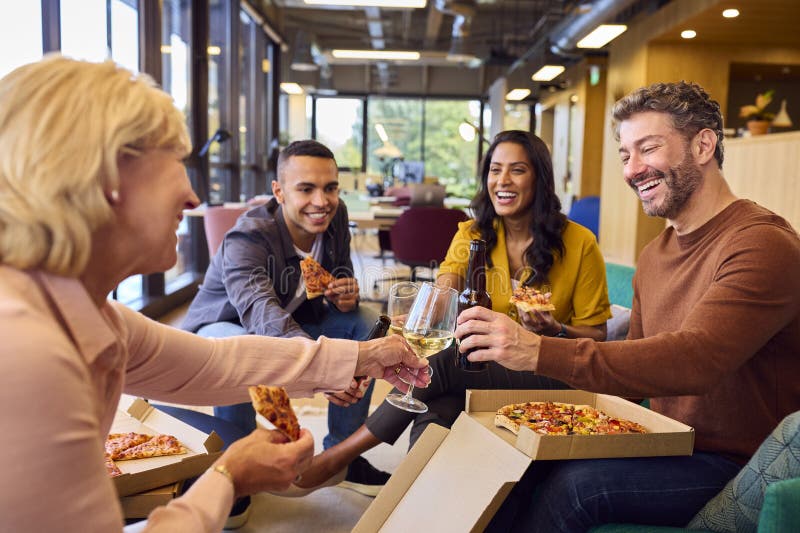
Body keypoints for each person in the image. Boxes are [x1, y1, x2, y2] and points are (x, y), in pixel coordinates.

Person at [0, 55, 429, 533]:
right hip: (230, 320)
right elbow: (248, 324)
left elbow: (213, 365)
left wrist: (362, 356)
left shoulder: (93, 315)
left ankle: (341, 457)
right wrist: (228, 477)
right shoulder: (28, 355)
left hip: (269, 333)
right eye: (174, 163)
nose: (192, 196)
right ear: (106, 180)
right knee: (232, 345)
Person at [452, 82, 800, 531]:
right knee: (516, 453)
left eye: (648, 149)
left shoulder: (762, 244)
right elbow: (633, 375)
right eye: (624, 155)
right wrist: (550, 416)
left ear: (703, 145)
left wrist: (536, 349)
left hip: (730, 462)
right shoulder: (655, 255)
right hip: (665, 441)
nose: (632, 170)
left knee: (579, 487)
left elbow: (696, 359)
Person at [294, 130, 612, 490]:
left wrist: (554, 328)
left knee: (440, 363)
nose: (502, 180)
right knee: (437, 407)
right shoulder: (473, 233)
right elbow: (444, 289)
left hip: (548, 367)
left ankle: (336, 458)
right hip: (482, 366)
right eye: (495, 170)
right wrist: (423, 314)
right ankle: (411, 497)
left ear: (540, 178)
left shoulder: (580, 243)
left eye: (517, 170)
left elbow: (597, 336)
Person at [182, 138, 388, 495]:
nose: (321, 202)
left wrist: (345, 299)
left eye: (330, 188)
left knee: (365, 321)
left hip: (295, 316)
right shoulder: (247, 236)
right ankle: (239, 470)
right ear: (278, 191)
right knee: (244, 347)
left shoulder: (336, 215)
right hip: (226, 325)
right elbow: (260, 312)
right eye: (306, 189)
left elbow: (339, 274)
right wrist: (322, 367)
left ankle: (342, 456)